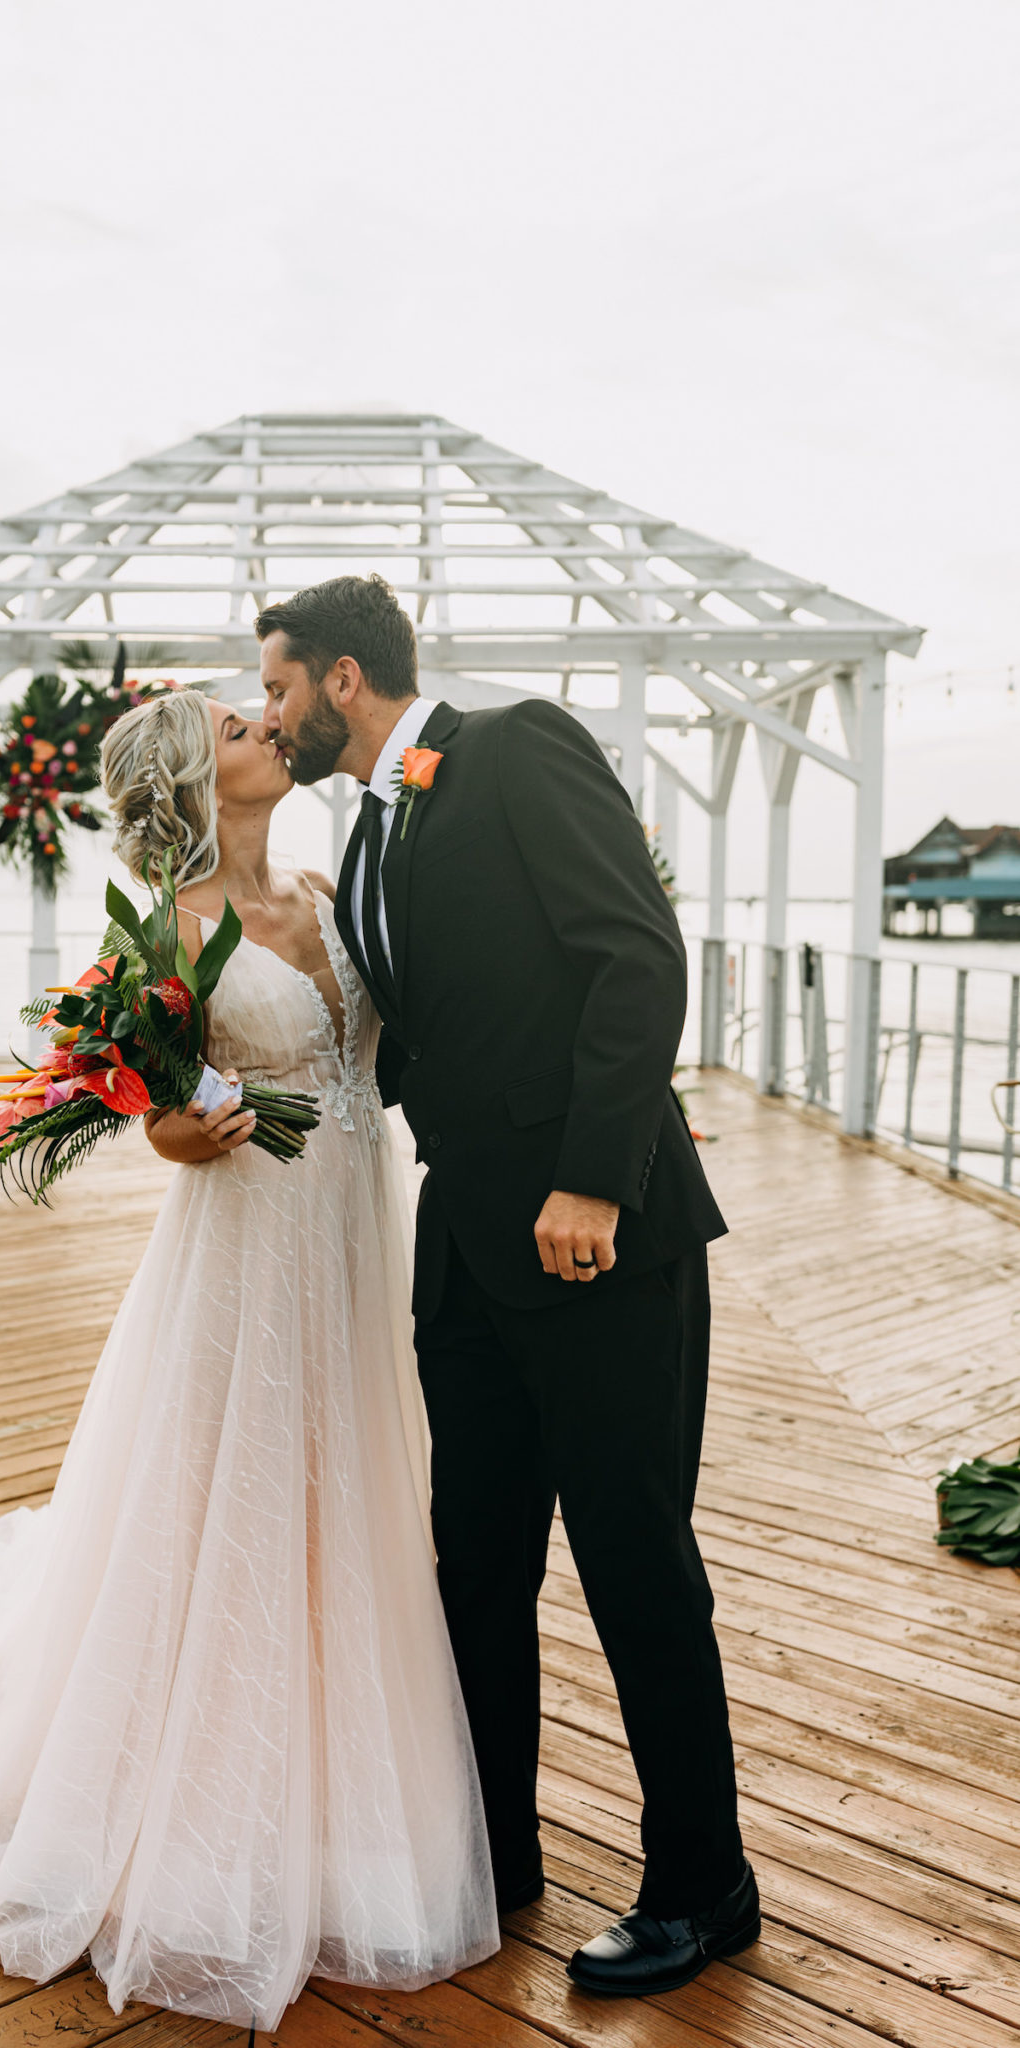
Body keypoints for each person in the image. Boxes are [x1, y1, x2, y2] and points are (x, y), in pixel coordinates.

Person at [0, 687, 498, 2034]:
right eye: (237, 727)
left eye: (259, 714)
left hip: (356, 1221)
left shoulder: (325, 878)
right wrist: (179, 1128)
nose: (268, 729)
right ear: (190, 778)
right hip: (250, 1238)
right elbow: (154, 1106)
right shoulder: (167, 928)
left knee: (347, 1462)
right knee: (232, 1469)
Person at [257, 573, 760, 1998]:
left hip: (596, 1239)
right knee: (474, 1564)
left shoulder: (515, 747)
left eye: (280, 685)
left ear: (344, 678)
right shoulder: (364, 829)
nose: (274, 711)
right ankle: (495, 1849)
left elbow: (633, 955)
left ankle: (700, 1883)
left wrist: (593, 1177)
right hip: (465, 1255)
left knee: (633, 1563)